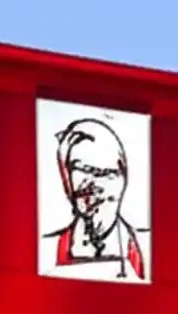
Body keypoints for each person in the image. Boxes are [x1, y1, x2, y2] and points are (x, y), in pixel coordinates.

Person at [44, 118, 146, 280]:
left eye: (104, 173)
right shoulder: (45, 253)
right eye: (81, 169)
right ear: (67, 177)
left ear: (122, 180)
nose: (90, 182)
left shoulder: (148, 249)